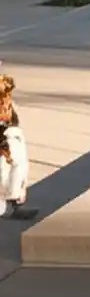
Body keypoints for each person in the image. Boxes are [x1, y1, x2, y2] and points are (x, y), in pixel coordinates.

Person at [0, 74, 35, 219]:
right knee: (7, 168)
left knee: (16, 166)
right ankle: (12, 203)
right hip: (5, 133)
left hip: (9, 131)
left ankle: (15, 203)